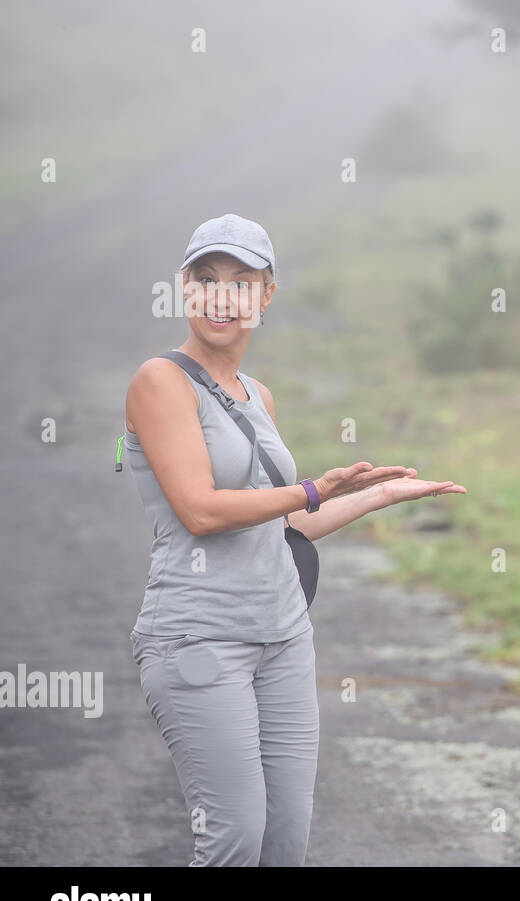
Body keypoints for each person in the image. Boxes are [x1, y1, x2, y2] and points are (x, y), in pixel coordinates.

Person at [122, 213, 465, 865]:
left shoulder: (258, 395)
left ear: (266, 294)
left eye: (241, 281)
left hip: (282, 640)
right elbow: (201, 509)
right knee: (235, 836)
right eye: (207, 278)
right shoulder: (159, 381)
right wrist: (311, 489)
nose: (223, 296)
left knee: (284, 844)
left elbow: (275, 525)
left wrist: (376, 496)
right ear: (185, 290)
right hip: (199, 640)